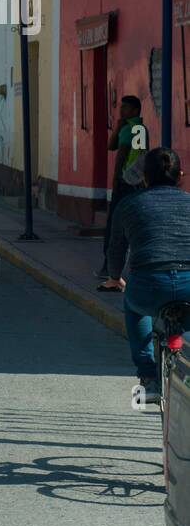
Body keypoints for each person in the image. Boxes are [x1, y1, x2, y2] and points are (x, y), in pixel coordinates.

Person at [105, 148, 190, 401]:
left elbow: (115, 250)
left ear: (144, 176)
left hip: (148, 286)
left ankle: (148, 378)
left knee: (134, 307)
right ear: (180, 175)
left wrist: (114, 277)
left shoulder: (129, 204)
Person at [99, 96, 147, 291]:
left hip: (125, 183)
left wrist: (116, 182)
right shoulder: (140, 129)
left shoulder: (131, 129)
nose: (121, 111)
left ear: (135, 110)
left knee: (114, 225)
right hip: (137, 184)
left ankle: (109, 268)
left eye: (126, 108)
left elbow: (118, 152)